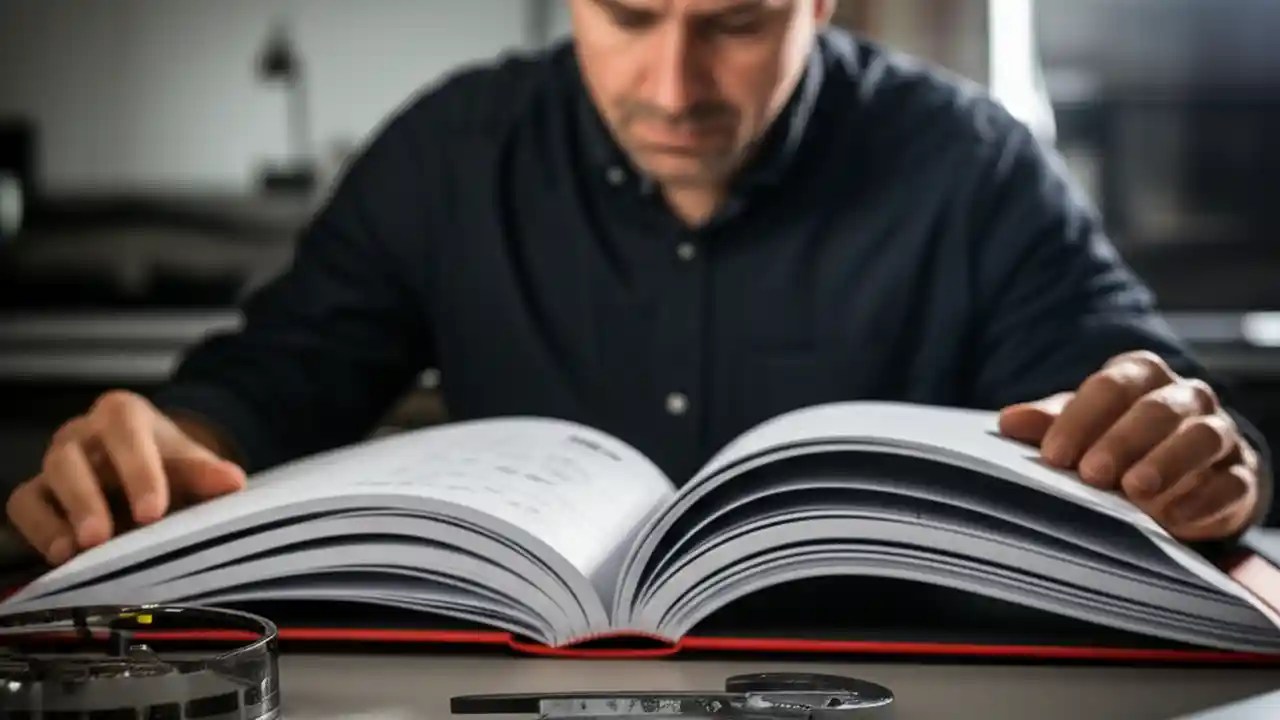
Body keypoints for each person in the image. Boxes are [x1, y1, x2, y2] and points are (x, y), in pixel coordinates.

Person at [7, 0, 1272, 567]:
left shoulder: (968, 161)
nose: (672, 87)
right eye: (624, 14)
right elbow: (277, 376)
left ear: (817, 2)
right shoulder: (449, 151)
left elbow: (1148, 400)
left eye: (733, 22)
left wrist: (1194, 456)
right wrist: (169, 443)